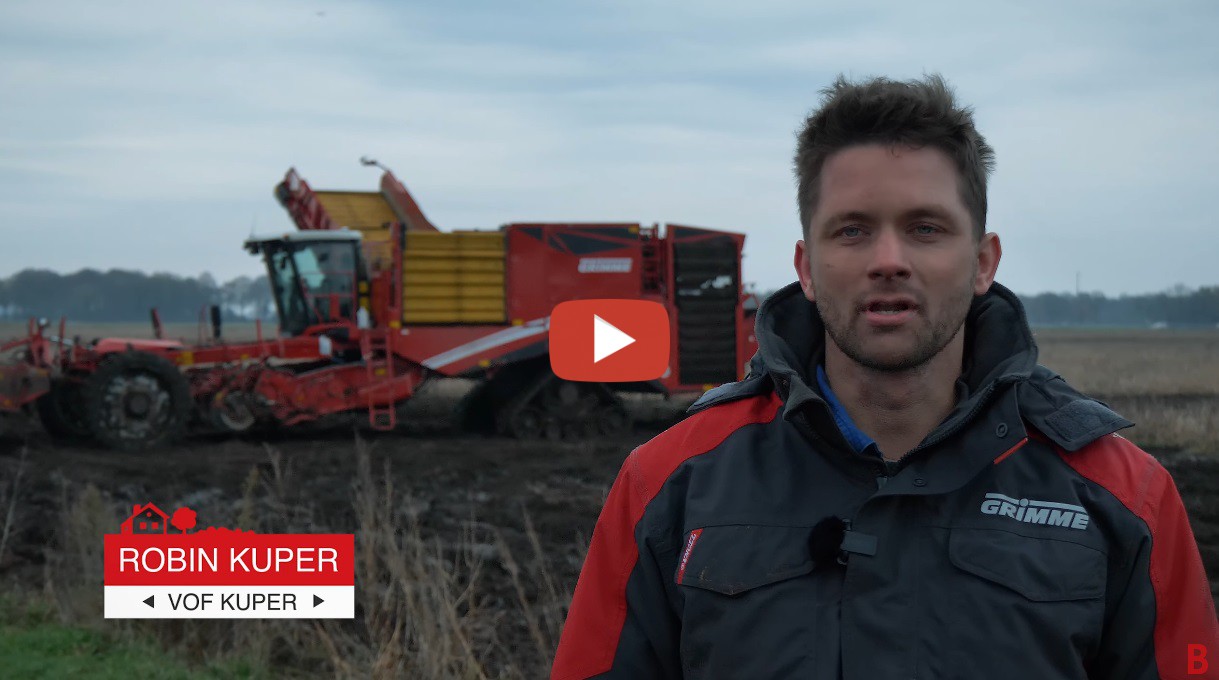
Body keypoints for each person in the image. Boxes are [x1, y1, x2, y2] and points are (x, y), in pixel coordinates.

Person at [551, 74, 1219, 679]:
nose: (888, 260)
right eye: (851, 231)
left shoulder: (1123, 498)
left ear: (982, 262)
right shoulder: (669, 484)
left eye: (925, 229)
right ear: (805, 268)